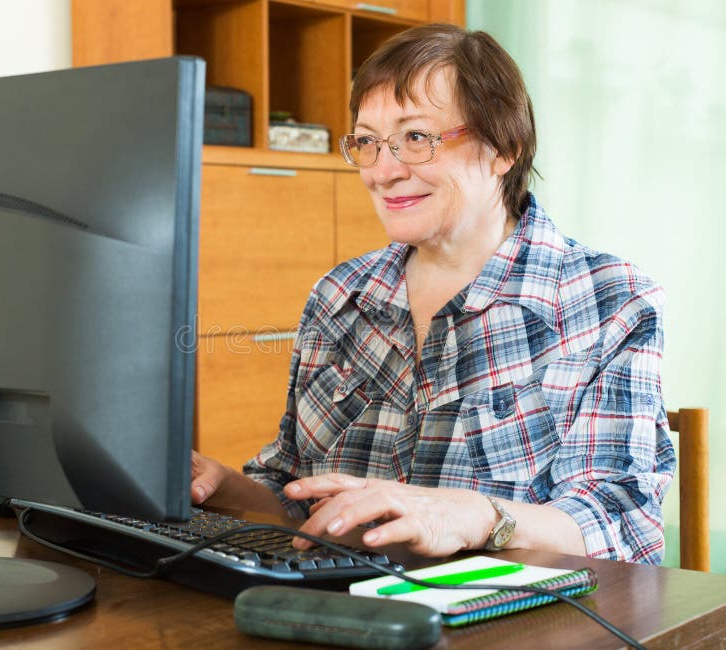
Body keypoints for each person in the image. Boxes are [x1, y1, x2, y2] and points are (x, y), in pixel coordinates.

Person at [191, 23, 676, 564]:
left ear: (504, 148)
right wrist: (224, 488)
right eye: (368, 143)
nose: (384, 171)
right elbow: (297, 501)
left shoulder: (611, 300)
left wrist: (473, 516)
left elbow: (623, 525)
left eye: (416, 139)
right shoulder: (338, 297)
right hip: (345, 615)